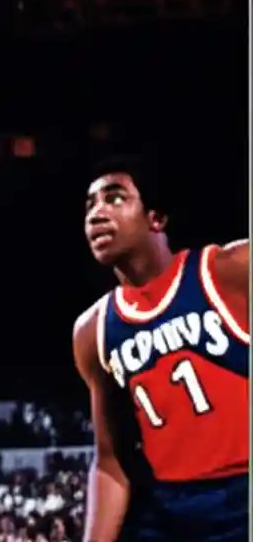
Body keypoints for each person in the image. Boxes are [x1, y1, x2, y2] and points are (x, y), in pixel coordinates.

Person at [72, 154, 248, 541]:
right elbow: (110, 461)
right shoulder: (93, 330)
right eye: (90, 205)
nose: (96, 214)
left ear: (156, 218)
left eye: (115, 198)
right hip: (166, 506)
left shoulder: (228, 271)